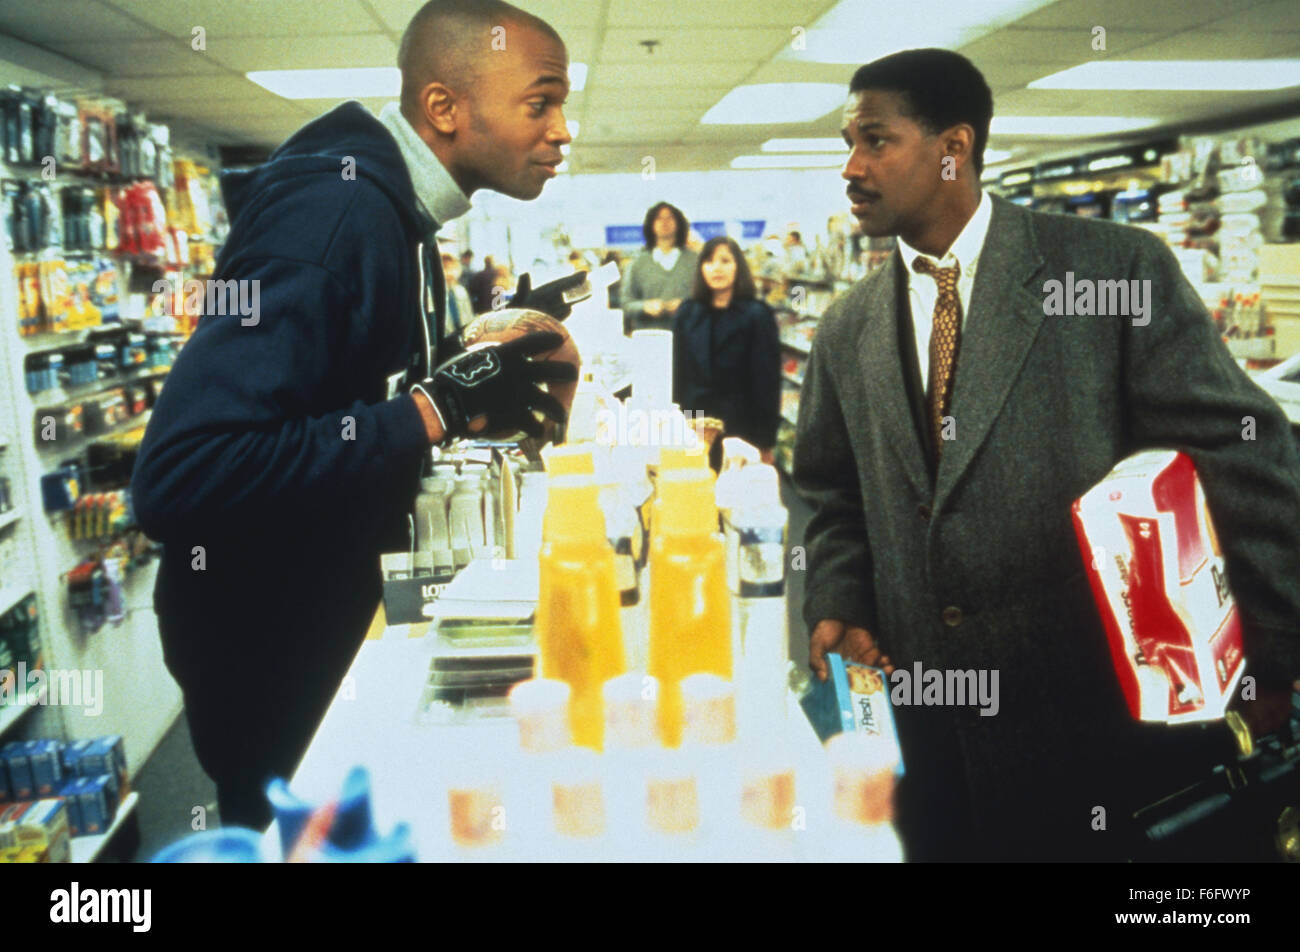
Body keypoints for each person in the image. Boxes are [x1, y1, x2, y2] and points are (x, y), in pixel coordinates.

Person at [793, 48, 1300, 862]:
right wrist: (839, 598)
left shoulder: (1110, 272)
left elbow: (1244, 453)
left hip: (1099, 726)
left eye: (875, 141)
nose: (851, 167)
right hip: (933, 741)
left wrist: (1270, 657)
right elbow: (829, 491)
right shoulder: (847, 328)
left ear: (953, 147)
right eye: (847, 143)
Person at [131, 0, 582, 830]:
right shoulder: (335, 214)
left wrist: (464, 358)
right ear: (445, 109)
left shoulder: (396, 214)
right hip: (268, 650)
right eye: (541, 102)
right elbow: (181, 473)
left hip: (327, 613)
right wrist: (430, 408)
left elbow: (338, 391)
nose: (563, 131)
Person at [672, 236, 780, 467]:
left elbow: (767, 382)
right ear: (701, 268)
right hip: (694, 423)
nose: (717, 268)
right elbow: (677, 373)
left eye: (725, 261)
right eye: (709, 261)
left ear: (738, 266)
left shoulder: (757, 315)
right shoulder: (687, 313)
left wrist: (765, 441)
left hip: (741, 427)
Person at [621, 201, 697, 333]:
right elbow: (626, 303)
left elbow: (707, 299)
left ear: (679, 223)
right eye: (658, 218)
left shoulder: (695, 260)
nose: (664, 222)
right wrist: (645, 307)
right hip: (649, 337)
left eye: (670, 217)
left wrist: (686, 305)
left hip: (689, 336)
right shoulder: (637, 263)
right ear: (650, 225)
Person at [441, 250, 474, 338]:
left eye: (452, 268)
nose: (450, 272)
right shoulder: (433, 294)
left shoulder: (461, 291)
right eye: (445, 267)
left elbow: (469, 316)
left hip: (462, 337)